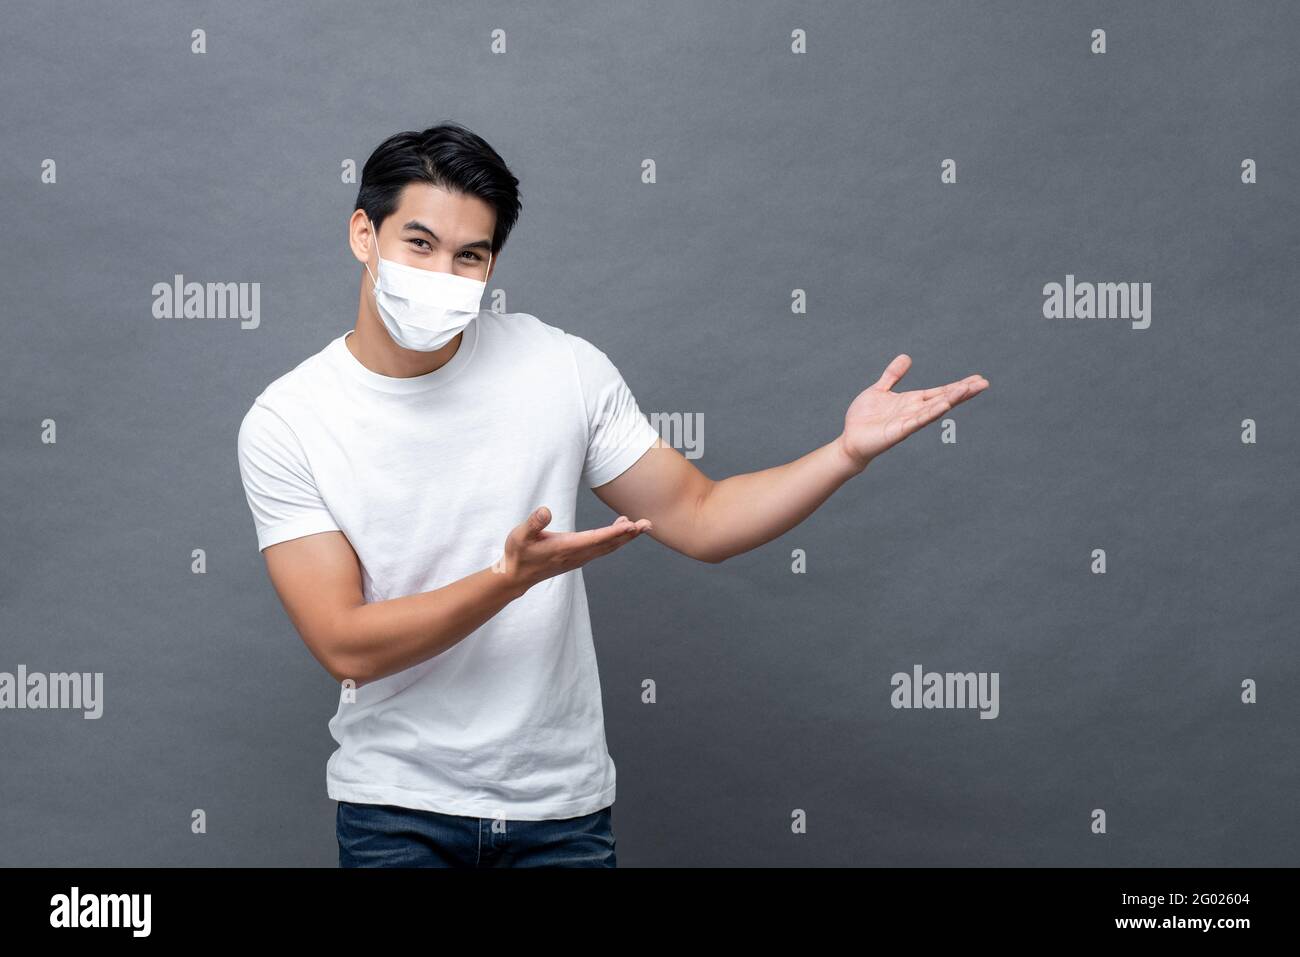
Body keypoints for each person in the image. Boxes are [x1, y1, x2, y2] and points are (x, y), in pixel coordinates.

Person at [236, 121, 990, 868]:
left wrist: (844, 453)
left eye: (471, 256)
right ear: (364, 234)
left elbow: (702, 516)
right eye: (420, 244)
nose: (443, 275)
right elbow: (345, 643)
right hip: (397, 810)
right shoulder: (289, 421)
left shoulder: (561, 367)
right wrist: (507, 581)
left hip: (559, 813)